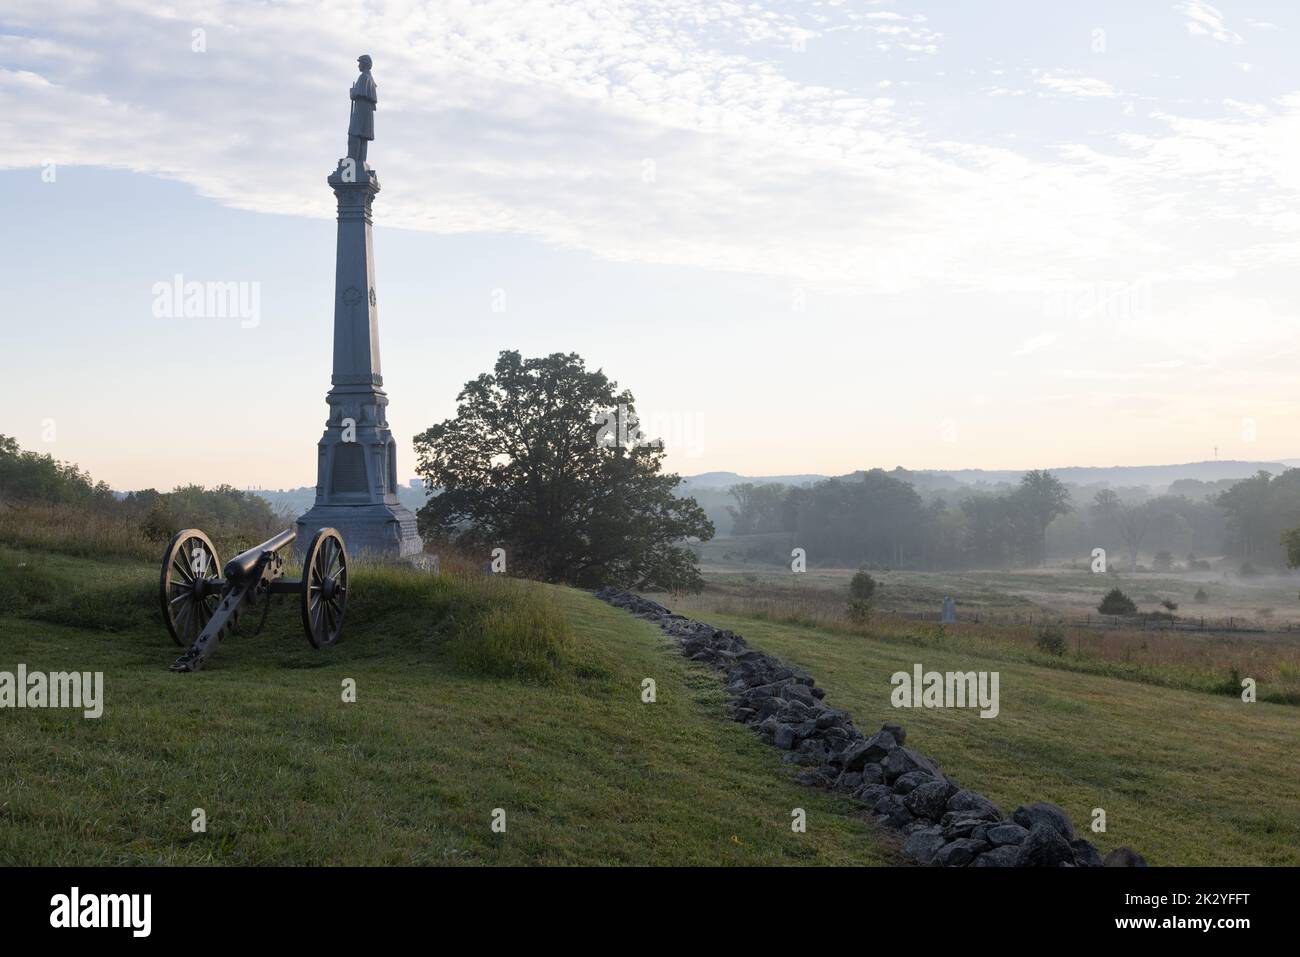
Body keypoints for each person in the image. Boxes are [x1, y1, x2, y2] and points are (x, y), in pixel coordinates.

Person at [347, 55, 377, 164]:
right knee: (363, 137)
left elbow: (355, 94)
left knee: (354, 134)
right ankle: (360, 162)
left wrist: (352, 91)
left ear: (364, 64)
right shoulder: (371, 79)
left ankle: (352, 159)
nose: (358, 65)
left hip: (360, 111)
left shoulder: (363, 77)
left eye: (360, 63)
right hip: (366, 111)